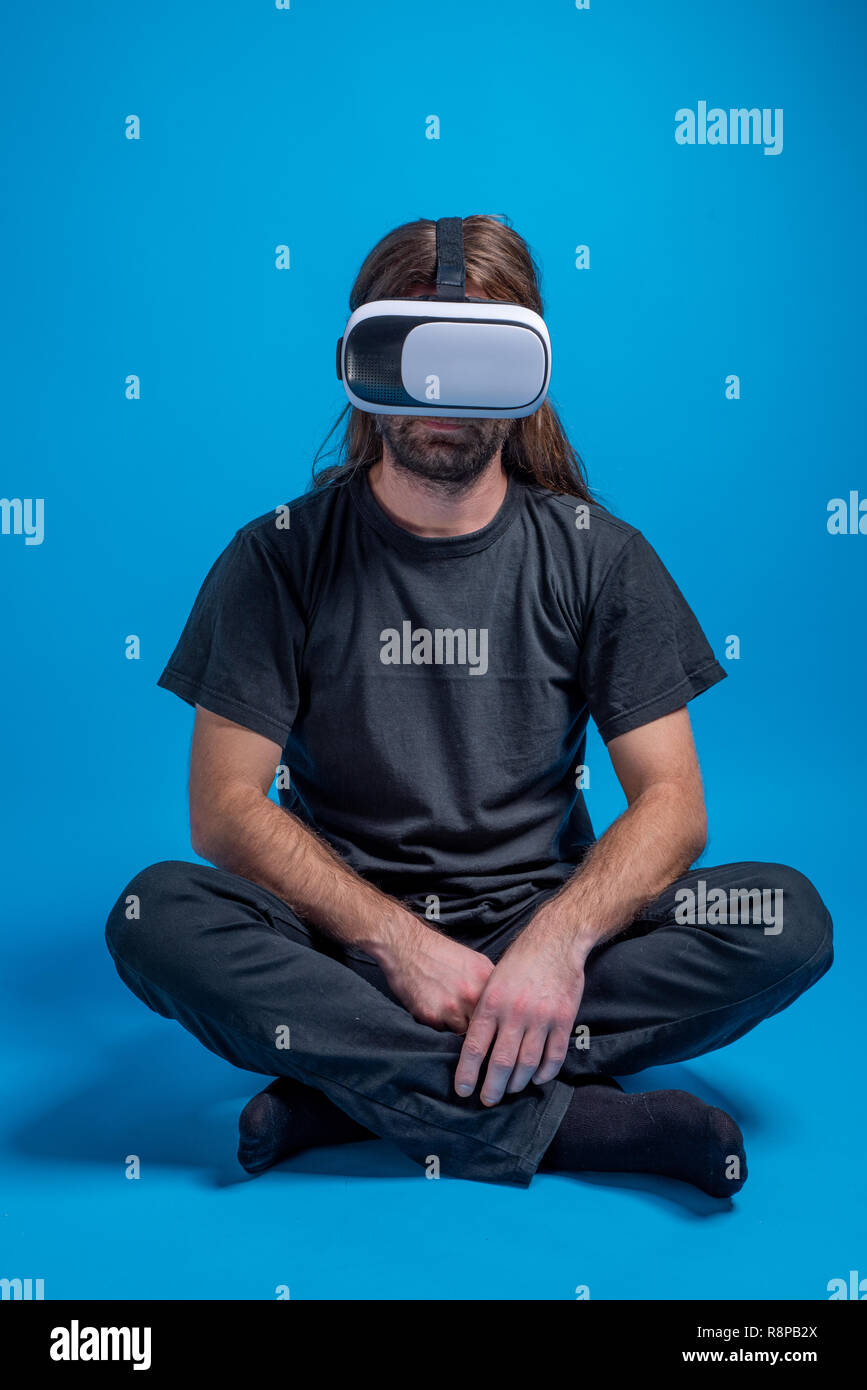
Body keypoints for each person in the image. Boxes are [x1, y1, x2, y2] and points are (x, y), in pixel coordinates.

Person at [104, 215, 833, 1195]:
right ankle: (575, 1122)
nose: (441, 397)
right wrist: (402, 948)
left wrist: (554, 946)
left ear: (527, 373)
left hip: (550, 939)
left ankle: (352, 1088)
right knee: (154, 913)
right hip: (348, 948)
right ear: (359, 362)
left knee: (786, 916)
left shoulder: (598, 554)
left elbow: (673, 806)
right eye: (413, 357)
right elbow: (224, 808)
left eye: (475, 360)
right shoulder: (275, 558)